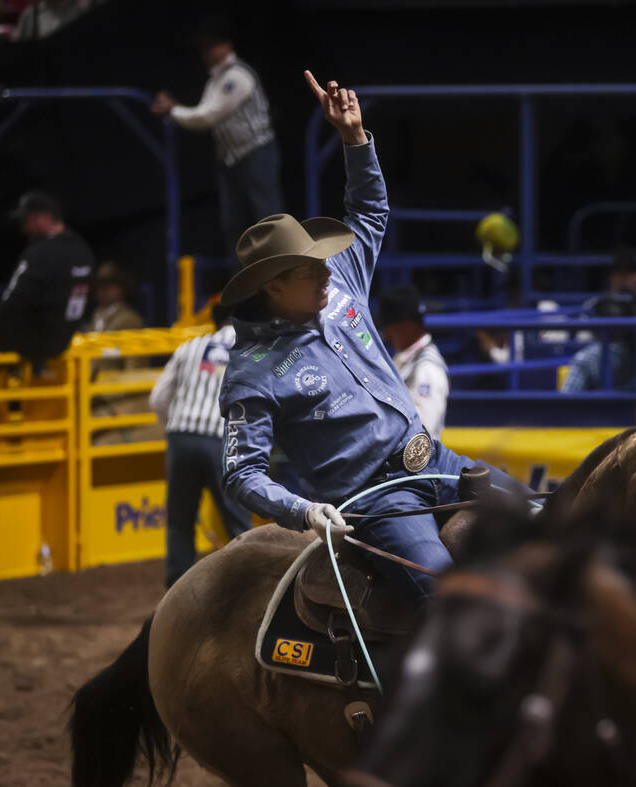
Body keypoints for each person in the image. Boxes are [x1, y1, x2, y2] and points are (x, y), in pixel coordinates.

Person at [219, 71, 523, 606]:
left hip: (436, 461)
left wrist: (355, 139)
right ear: (273, 287)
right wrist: (303, 510)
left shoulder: (339, 282)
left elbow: (370, 212)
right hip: (376, 500)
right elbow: (241, 473)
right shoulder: (252, 370)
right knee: (443, 598)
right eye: (308, 271)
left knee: (553, 520)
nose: (325, 275)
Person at [152, 23, 283, 259]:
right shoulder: (216, 79)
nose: (206, 52)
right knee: (234, 224)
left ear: (226, 45)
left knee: (268, 218)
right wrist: (176, 109)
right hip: (231, 158)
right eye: (204, 47)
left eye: (211, 45)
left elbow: (206, 116)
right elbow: (204, 111)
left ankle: (281, 271)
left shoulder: (236, 75)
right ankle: (243, 281)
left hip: (255, 152)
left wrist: (173, 110)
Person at [150, 304, 251, 588]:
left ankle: (176, 591)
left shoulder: (190, 346)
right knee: (237, 521)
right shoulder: (248, 349)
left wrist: (176, 425)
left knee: (180, 522)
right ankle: (249, 585)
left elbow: (158, 398)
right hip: (221, 440)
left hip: (181, 437)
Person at [0, 190, 94, 364]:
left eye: (27, 221)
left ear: (44, 218)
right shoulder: (83, 251)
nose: (23, 229)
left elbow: (13, 301)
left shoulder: (40, 253)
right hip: (64, 338)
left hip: (36, 341)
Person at [559, 253, 636, 392]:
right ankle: (565, 409)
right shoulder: (600, 302)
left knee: (583, 362)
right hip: (607, 354)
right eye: (618, 274)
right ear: (611, 276)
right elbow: (575, 320)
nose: (622, 279)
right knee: (582, 362)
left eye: (627, 274)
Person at [377, 287, 449, 441]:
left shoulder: (427, 368)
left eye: (389, 329)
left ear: (407, 326)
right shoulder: (404, 358)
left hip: (415, 461)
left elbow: (422, 432)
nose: (387, 336)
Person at [82, 262, 143, 333]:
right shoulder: (95, 316)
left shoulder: (130, 319)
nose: (104, 290)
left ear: (122, 288)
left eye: (110, 286)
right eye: (100, 286)